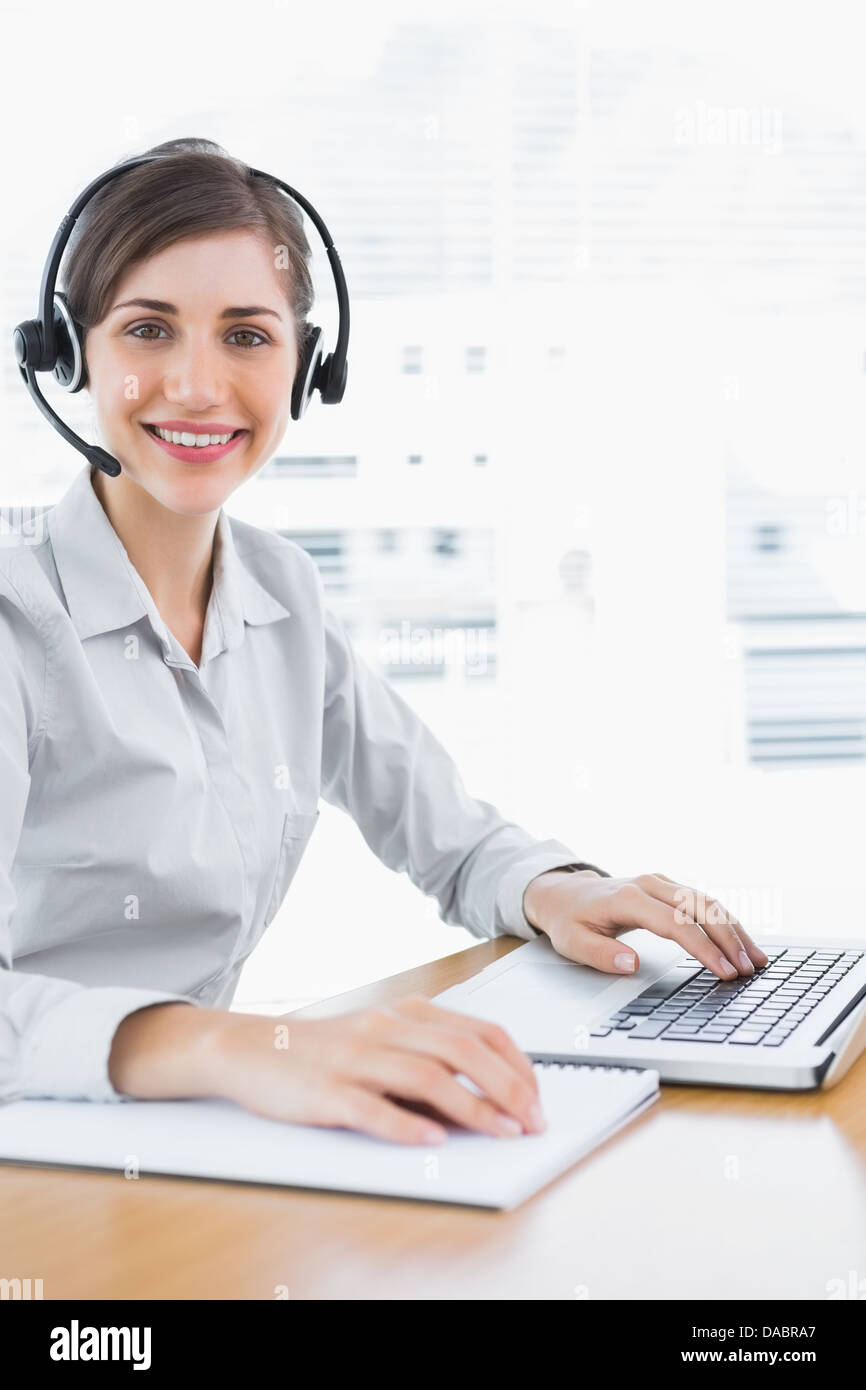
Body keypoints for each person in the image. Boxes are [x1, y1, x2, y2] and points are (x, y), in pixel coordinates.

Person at [0, 138, 766, 1146]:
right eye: (148, 329)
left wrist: (565, 890)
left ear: (309, 367)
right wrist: (244, 1047)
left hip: (183, 1138)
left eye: (246, 335)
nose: (194, 384)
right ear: (69, 354)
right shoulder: (19, 622)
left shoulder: (281, 595)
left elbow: (449, 836)